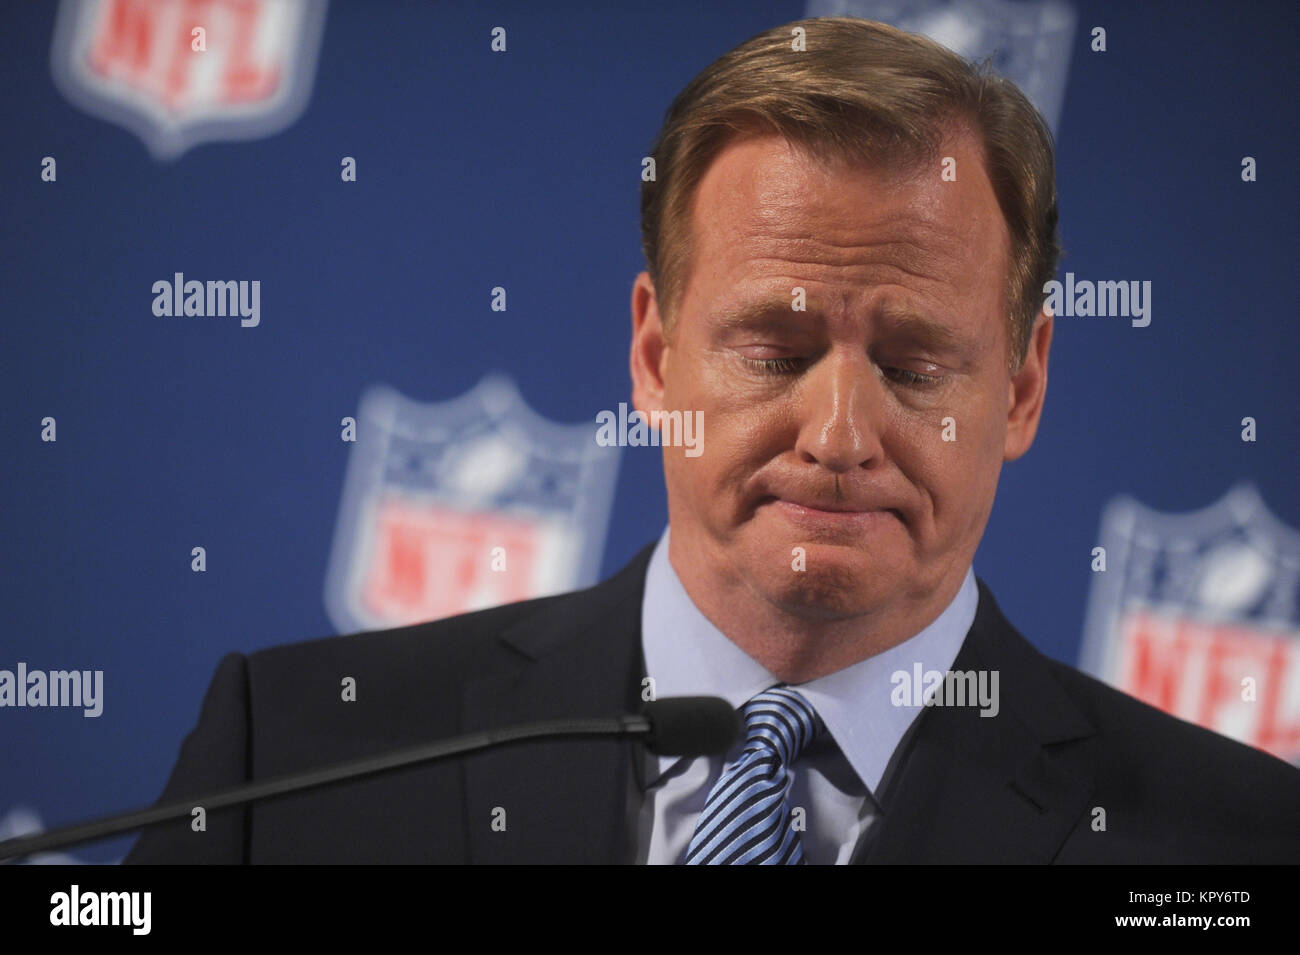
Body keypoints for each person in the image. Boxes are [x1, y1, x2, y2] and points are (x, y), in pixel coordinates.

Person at [125, 16, 1300, 864]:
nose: (840, 434)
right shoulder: (290, 758)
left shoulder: (1236, 844)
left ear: (1025, 384)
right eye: (775, 352)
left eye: (914, 365)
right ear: (652, 355)